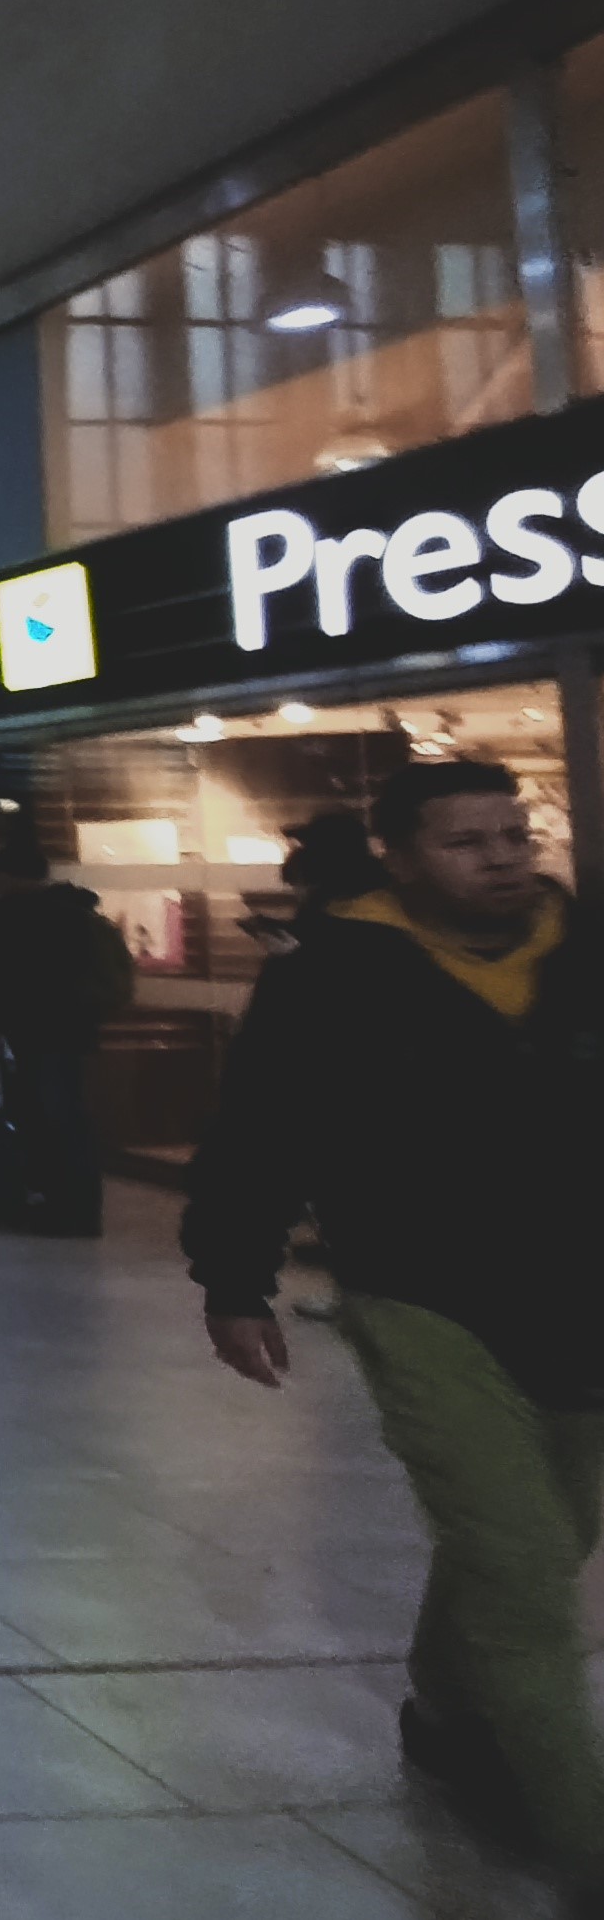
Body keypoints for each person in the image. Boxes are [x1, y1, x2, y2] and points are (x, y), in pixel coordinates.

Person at [186, 759, 604, 1884]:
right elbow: (261, 1128)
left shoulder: (582, 950)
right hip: (423, 1292)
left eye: (515, 832)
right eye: (469, 840)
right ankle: (577, 1825)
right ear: (405, 857)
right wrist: (233, 1275)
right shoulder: (334, 972)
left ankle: (445, 1708)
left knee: (552, 1528)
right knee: (520, 1564)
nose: (505, 854)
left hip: (582, 1291)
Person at [0, 836, 136, 1237]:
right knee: (66, 1116)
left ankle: (61, 1206)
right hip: (71, 1031)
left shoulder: (11, 918)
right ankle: (76, 1207)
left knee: (48, 1116)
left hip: (34, 1032)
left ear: (8, 876)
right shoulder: (76, 912)